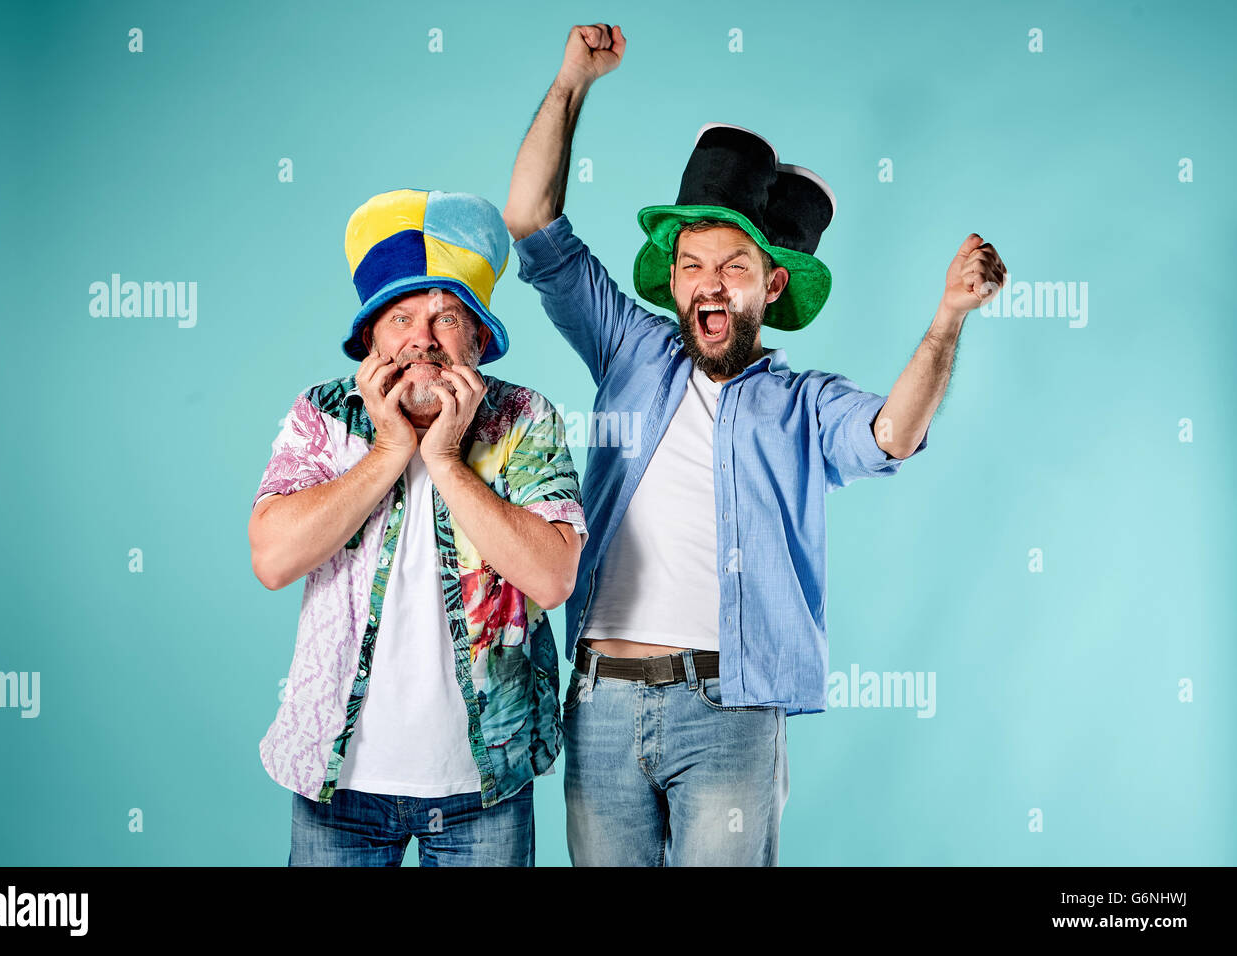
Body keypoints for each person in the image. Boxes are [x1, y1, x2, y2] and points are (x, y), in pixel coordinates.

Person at [501, 23, 1006, 866]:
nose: (707, 282)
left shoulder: (804, 405)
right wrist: (572, 82)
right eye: (691, 263)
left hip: (730, 712)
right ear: (672, 279)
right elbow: (530, 220)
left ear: (770, 283)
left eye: (733, 265)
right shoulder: (629, 348)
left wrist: (947, 320)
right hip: (600, 704)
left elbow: (893, 434)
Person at [249, 188, 588, 866]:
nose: (421, 340)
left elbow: (552, 577)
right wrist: (389, 452)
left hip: (481, 787)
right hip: (337, 786)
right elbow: (273, 559)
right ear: (369, 339)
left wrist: (444, 460)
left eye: (446, 317)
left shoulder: (524, 418)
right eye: (399, 317)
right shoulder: (323, 415)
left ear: (480, 340)